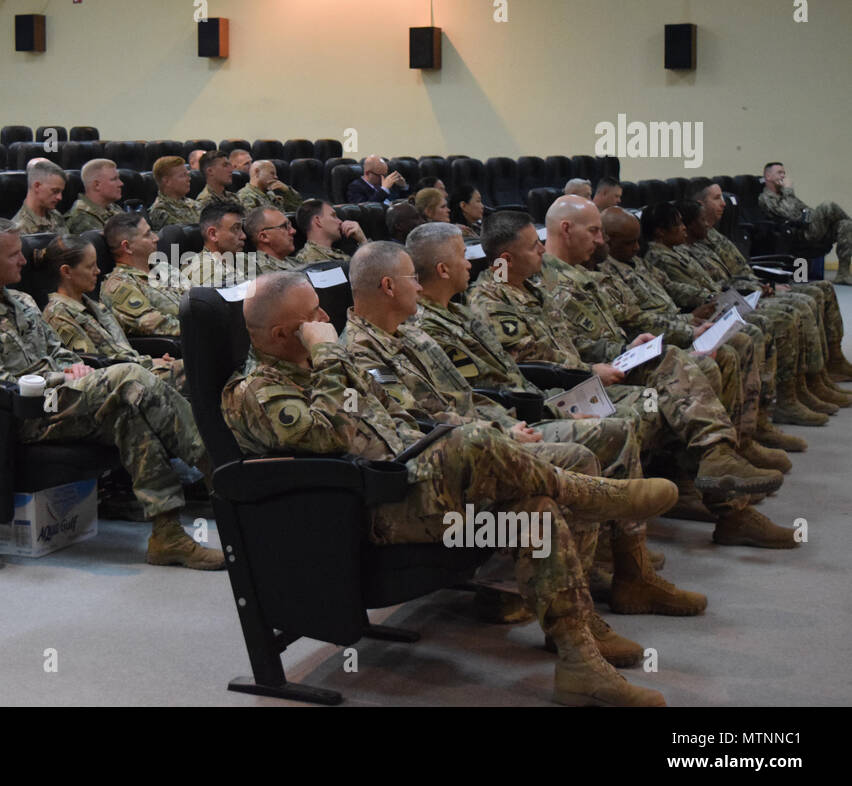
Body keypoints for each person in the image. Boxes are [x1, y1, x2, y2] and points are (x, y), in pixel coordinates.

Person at [222, 270, 674, 706]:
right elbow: (329, 436)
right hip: (368, 510)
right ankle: (591, 495)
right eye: (314, 315)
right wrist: (328, 356)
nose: (326, 320)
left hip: (412, 481)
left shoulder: (322, 365)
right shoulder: (256, 392)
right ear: (282, 333)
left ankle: (579, 659)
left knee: (535, 507)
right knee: (472, 442)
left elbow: (397, 416)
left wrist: (456, 439)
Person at [341, 242, 703, 618]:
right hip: (453, 460)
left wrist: (514, 421)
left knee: (614, 433)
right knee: (580, 454)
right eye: (412, 278)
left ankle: (628, 572)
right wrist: (500, 433)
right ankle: (576, 577)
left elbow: (469, 397)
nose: (419, 285)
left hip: (493, 430)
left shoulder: (412, 336)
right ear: (388, 286)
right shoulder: (360, 354)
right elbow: (415, 424)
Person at [451, 207, 795, 548]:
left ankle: (718, 461)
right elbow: (526, 367)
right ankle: (715, 497)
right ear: (506, 260)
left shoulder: (531, 289)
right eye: (533, 246)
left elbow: (575, 343)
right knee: (667, 397)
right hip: (561, 396)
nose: (542, 249)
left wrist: (623, 349)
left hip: (585, 379)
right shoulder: (491, 301)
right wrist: (591, 371)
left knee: (672, 364)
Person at [0, 218, 221, 571]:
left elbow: (59, 351)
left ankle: (167, 535)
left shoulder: (22, 301)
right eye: (13, 255)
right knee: (128, 375)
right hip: (23, 414)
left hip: (62, 399)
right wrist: (61, 377)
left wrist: (73, 368)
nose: (23, 260)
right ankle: (218, 467)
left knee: (130, 411)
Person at [598, 206, 802, 454]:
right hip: (651, 341)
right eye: (629, 242)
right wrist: (688, 324)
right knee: (731, 348)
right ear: (609, 240)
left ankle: (747, 432)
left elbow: (671, 287)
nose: (637, 247)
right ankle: (712, 452)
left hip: (677, 322)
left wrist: (709, 302)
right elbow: (635, 321)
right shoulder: (605, 271)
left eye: (636, 241)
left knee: (743, 338)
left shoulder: (635, 262)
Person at [642, 202, 833, 426]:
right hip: (696, 316)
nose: (684, 228)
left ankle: (805, 384)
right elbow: (684, 292)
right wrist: (712, 302)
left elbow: (711, 281)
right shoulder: (659, 257)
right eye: (678, 224)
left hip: (718, 302)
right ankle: (771, 407)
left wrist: (749, 289)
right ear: (660, 231)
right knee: (774, 319)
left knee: (796, 306)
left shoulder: (679, 249)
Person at [693, 181, 852, 382]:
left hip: (751, 290)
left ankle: (831, 363)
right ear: (700, 204)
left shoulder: (715, 235)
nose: (724, 203)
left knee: (824, 287)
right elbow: (719, 285)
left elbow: (742, 270)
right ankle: (801, 383)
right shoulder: (691, 242)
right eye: (717, 198)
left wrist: (767, 285)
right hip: (736, 299)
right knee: (799, 306)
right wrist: (760, 288)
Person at [38, 235, 184, 390]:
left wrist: (152, 361)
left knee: (193, 363)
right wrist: (149, 363)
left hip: (136, 370)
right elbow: (97, 364)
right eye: (90, 266)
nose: (98, 271)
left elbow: (122, 350)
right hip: (118, 383)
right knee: (193, 368)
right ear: (67, 271)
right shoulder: (59, 315)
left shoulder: (93, 306)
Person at [759, 161, 852, 284]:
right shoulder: (766, 198)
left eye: (784, 173)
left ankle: (843, 274)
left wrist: (815, 217)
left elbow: (806, 210)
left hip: (810, 228)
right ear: (768, 176)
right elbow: (789, 215)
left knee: (846, 225)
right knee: (827, 205)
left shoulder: (785, 194)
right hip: (799, 234)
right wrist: (788, 190)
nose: (783, 176)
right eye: (779, 173)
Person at [101, 213, 182, 337]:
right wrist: (204, 328)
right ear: (127, 247)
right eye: (147, 234)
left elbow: (194, 297)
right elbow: (152, 324)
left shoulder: (164, 268)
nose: (156, 238)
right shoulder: (120, 286)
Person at [179, 202, 247, 287]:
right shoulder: (201, 268)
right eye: (236, 229)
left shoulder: (244, 259)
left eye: (241, 229)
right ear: (213, 234)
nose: (243, 236)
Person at [65, 159, 125, 234]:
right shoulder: (81, 216)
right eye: (114, 179)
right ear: (97, 185)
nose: (121, 183)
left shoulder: (112, 207)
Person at [294, 198, 364, 263]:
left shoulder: (335, 252)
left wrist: (362, 240)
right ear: (318, 221)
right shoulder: (308, 260)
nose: (340, 221)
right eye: (333, 216)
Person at [12, 158, 67, 235]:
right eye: (55, 191)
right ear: (37, 186)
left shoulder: (56, 215)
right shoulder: (19, 228)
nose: (60, 197)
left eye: (61, 192)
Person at [147, 155, 200, 230]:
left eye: (188, 174)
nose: (189, 179)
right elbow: (181, 235)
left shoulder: (191, 202)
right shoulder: (161, 211)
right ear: (167, 181)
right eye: (183, 175)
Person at [243, 207, 300, 276]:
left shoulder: (295, 262)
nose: (293, 231)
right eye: (285, 226)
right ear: (264, 237)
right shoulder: (260, 272)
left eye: (290, 225)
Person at [235, 160, 302, 214]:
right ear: (257, 172)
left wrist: (287, 191)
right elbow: (254, 222)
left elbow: (298, 210)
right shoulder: (245, 195)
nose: (276, 177)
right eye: (272, 173)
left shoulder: (271, 194)